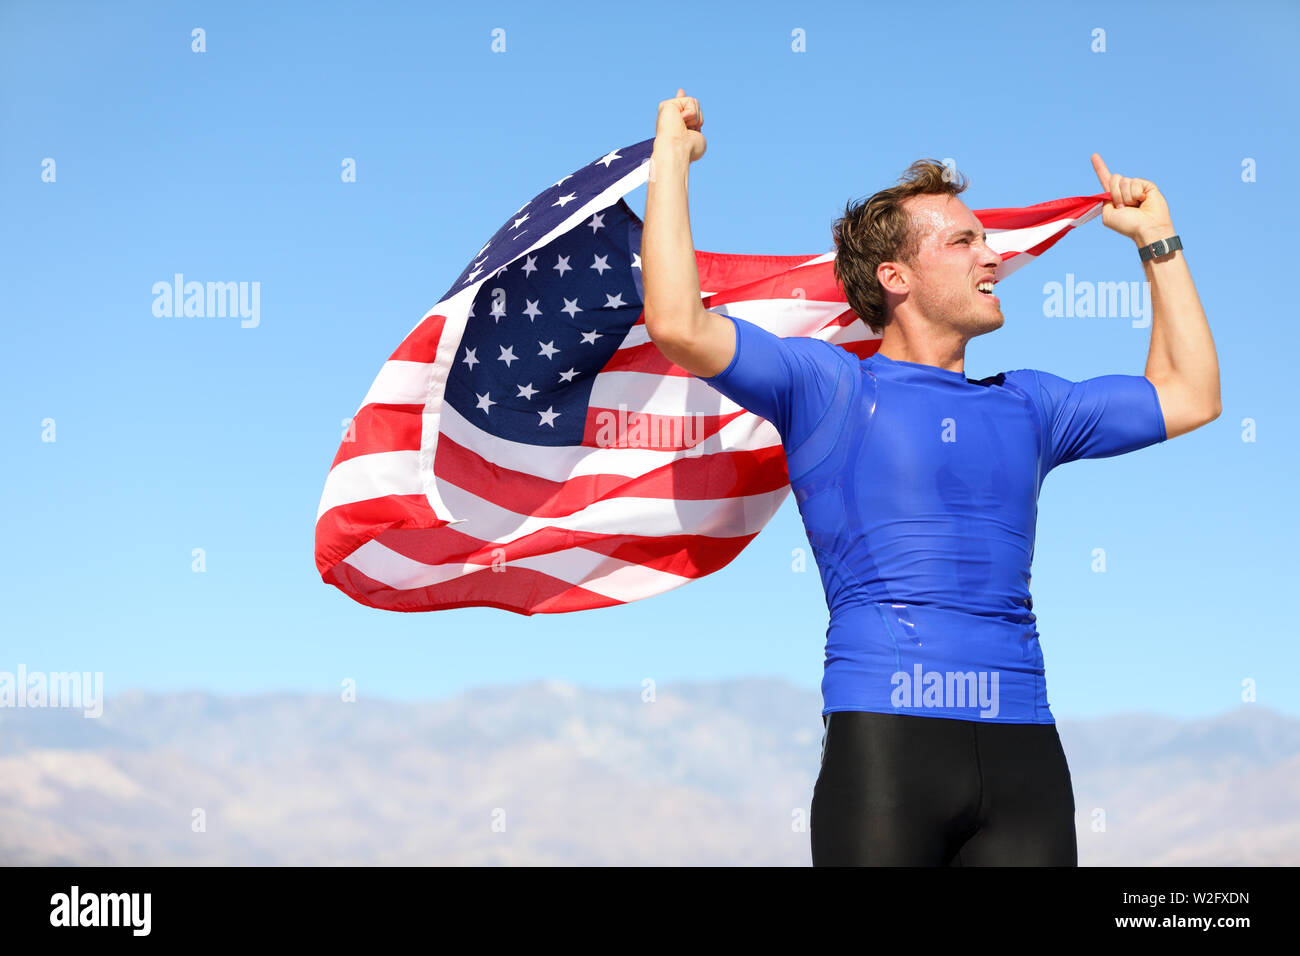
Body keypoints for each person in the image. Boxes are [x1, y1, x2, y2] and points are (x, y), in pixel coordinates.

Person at [640, 89, 1221, 866]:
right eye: (962, 243)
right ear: (896, 277)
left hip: (1026, 754)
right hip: (885, 749)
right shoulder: (830, 389)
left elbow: (1191, 395)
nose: (992, 257)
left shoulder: (1030, 405)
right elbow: (678, 321)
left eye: (984, 241)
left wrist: (1157, 240)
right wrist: (670, 160)